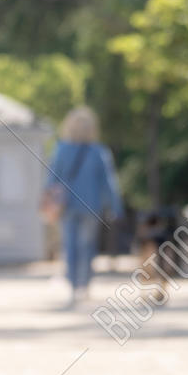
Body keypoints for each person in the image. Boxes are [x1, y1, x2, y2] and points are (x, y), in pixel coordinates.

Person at [44, 106, 123, 305]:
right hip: (91, 206)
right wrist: (115, 206)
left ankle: (73, 285)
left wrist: (47, 200)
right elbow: (108, 182)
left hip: (67, 205)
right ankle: (84, 284)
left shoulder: (61, 149)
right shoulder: (98, 151)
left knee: (69, 245)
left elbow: (52, 178)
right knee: (87, 245)